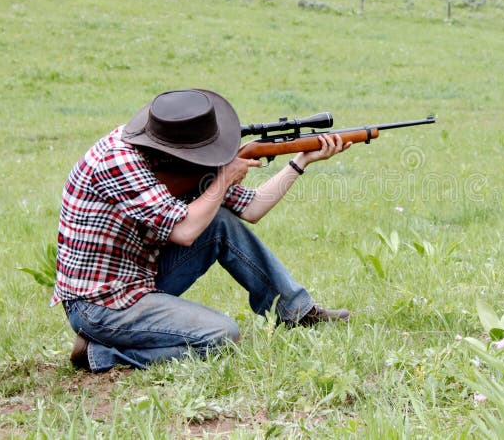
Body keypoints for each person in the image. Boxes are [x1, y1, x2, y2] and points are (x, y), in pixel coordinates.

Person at [51, 89, 352, 373]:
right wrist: (223, 180)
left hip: (140, 278)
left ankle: (296, 313)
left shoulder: (173, 154)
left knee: (219, 221)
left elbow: (252, 208)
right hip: (100, 305)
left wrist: (300, 161)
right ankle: (98, 352)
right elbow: (185, 231)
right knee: (221, 337)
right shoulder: (119, 161)